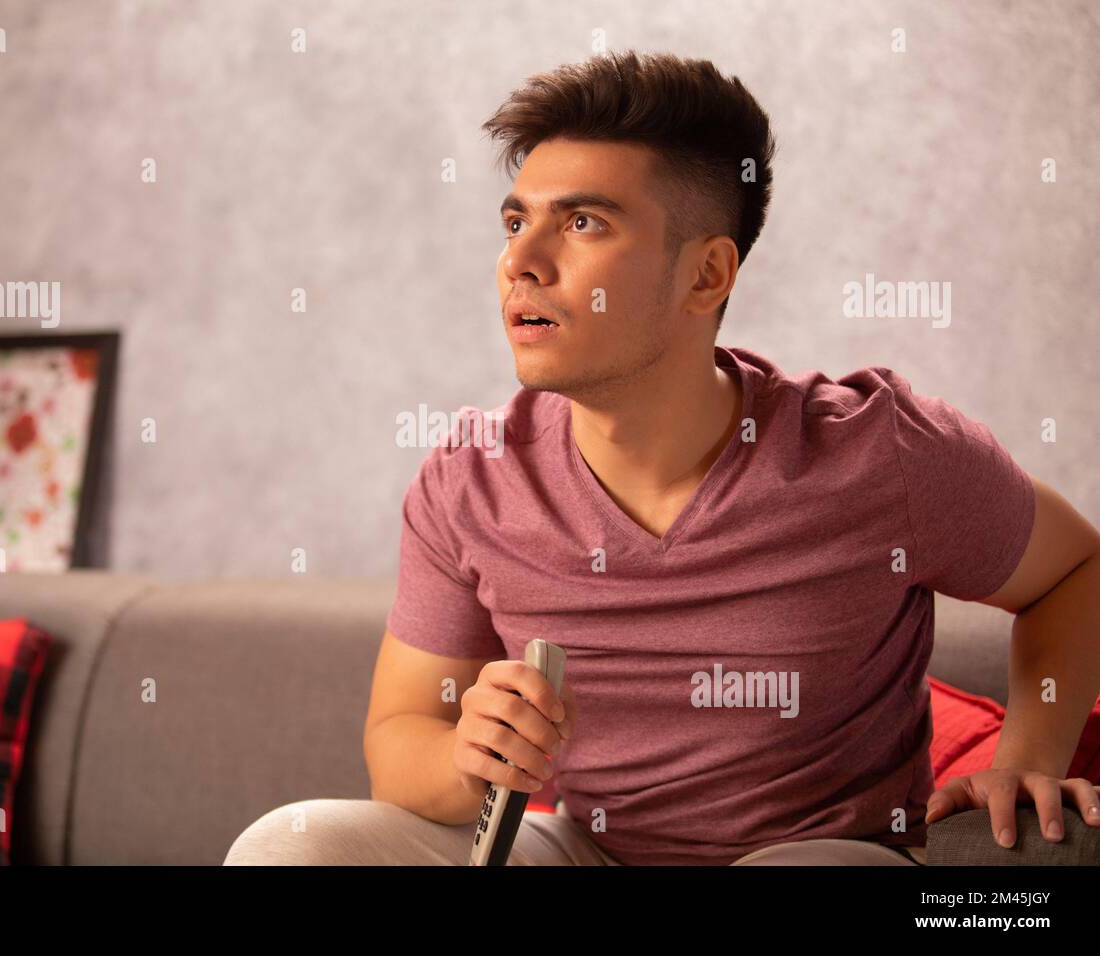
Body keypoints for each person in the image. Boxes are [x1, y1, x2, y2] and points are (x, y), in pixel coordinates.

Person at [226, 49, 1100, 867]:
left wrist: (1024, 756)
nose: (520, 263)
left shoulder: (880, 451)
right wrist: (466, 753)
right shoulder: (472, 476)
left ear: (706, 275)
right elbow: (399, 738)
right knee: (291, 846)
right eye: (516, 221)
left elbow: (1075, 570)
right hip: (587, 850)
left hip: (817, 855)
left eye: (582, 222)